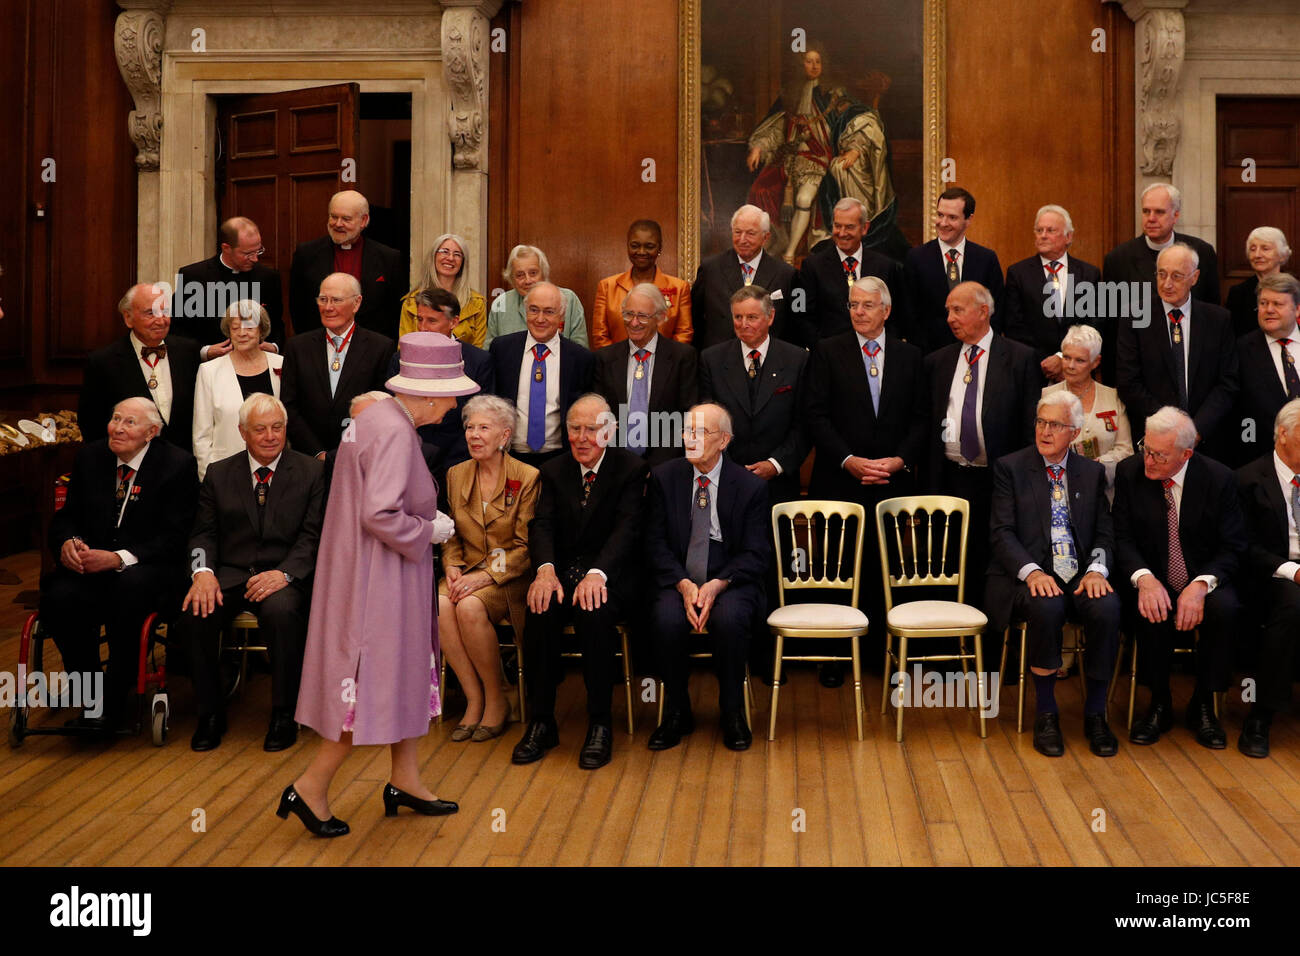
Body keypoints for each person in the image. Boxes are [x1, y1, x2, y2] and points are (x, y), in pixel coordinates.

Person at [283, 332, 474, 837]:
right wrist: (427, 530)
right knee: (366, 685)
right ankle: (310, 787)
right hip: (380, 581)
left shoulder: (373, 419)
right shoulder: (393, 431)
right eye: (452, 392)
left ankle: (405, 780)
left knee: (406, 673)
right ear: (430, 393)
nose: (455, 403)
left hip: (370, 571)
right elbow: (380, 513)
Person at [40, 398, 198, 729]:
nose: (118, 428)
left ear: (152, 432)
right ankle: (91, 692)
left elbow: (174, 537)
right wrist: (68, 543)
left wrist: (116, 559)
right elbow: (66, 519)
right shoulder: (91, 456)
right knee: (58, 596)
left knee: (128, 590)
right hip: (90, 566)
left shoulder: (177, 465)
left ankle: (111, 702)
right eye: (115, 419)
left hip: (148, 569)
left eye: (130, 422)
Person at [511, 394, 649, 770]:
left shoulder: (631, 469)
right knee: (539, 608)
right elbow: (543, 525)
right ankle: (542, 722)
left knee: (593, 612)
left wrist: (597, 573)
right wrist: (544, 569)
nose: (582, 438)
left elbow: (628, 530)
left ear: (610, 431)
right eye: (575, 429)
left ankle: (600, 724)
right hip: (562, 570)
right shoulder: (554, 471)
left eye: (591, 429)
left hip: (613, 573)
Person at [181, 393, 324, 752]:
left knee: (282, 612)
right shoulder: (219, 473)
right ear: (243, 432)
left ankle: (284, 713)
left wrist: (286, 574)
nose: (270, 436)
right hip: (229, 573)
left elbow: (314, 535)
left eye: (277, 427)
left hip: (283, 575)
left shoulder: (311, 471)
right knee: (197, 611)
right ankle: (210, 714)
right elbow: (203, 533)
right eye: (260, 429)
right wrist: (203, 572)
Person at [987, 391, 1121, 757]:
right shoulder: (1010, 468)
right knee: (1046, 607)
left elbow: (1105, 532)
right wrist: (1031, 572)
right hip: (1028, 574)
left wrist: (1096, 569)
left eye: (1055, 425)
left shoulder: (1091, 473)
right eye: (1041, 422)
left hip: (1079, 573)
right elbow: (1001, 532)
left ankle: (1096, 714)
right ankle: (1046, 712)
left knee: (1107, 607)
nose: (1045, 431)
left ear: (1074, 433)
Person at [803, 276, 926, 662]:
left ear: (886, 311)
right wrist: (849, 460)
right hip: (840, 479)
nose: (858, 311)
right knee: (836, 569)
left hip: (892, 480)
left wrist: (900, 460)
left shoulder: (911, 356)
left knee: (886, 567)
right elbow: (815, 415)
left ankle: (881, 654)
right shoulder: (827, 350)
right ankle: (836, 654)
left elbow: (922, 418)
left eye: (867, 305)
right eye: (853, 304)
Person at [1113, 406, 1246, 749]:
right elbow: (1121, 538)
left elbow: (1233, 547)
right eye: (1147, 448)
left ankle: (1203, 704)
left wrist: (1201, 585)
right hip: (1151, 574)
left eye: (1160, 454)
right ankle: (1158, 703)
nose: (1149, 460)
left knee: (1225, 608)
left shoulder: (1219, 479)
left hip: (1202, 576)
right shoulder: (1130, 473)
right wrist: (1143, 578)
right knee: (1152, 607)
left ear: (1186, 454)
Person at [645, 403, 772, 752]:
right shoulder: (664, 477)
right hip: (679, 572)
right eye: (686, 431)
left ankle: (732, 711)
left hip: (729, 573)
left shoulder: (750, 487)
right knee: (667, 618)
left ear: (724, 441)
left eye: (700, 432)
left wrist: (718, 584)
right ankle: (676, 710)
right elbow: (653, 543)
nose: (689, 438)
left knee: (729, 619)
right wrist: (684, 584)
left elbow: (756, 552)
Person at [924, 281, 1041, 615]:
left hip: (998, 484)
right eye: (947, 310)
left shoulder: (1020, 359)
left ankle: (988, 655)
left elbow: (1028, 429)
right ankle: (948, 644)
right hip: (949, 482)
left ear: (983, 311)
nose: (949, 318)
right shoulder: (937, 362)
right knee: (948, 566)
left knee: (992, 570)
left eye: (957, 310)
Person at [438, 394, 540, 743]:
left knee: (468, 605)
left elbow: (525, 549)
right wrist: (451, 565)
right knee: (438, 603)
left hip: (507, 577)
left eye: (484, 427)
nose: (474, 435)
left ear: (504, 435)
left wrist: (482, 576)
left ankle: (497, 700)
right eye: (469, 427)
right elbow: (449, 533)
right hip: (466, 571)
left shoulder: (527, 477)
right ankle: (474, 697)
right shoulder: (455, 474)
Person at [744, 45, 906, 263]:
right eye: (808, 61)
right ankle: (769, 246)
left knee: (803, 197)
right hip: (789, 160)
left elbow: (855, 118)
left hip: (817, 160)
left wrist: (855, 149)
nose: (813, 66)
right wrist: (759, 147)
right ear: (800, 65)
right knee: (761, 189)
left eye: (817, 61)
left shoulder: (832, 95)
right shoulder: (790, 96)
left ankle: (790, 254)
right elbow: (776, 127)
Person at [1116, 242, 1239, 458]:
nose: (1167, 284)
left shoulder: (1218, 319)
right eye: (1161, 274)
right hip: (1154, 439)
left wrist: (1196, 429)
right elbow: (1128, 382)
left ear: (1195, 277)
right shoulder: (1135, 317)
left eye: (1177, 276)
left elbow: (1227, 382)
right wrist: (1170, 427)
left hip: (1208, 440)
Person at [698, 286, 809, 505]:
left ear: (770, 317)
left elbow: (804, 424)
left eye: (752, 317)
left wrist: (775, 464)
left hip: (779, 484)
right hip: (726, 479)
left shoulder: (797, 359)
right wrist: (727, 466)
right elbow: (705, 423)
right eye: (738, 317)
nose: (743, 324)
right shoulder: (712, 359)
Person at [1235, 398, 1300, 757]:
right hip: (1268, 574)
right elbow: (1244, 546)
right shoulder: (1247, 479)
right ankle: (1260, 716)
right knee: (1292, 604)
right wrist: (1294, 571)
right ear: (1282, 435)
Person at [387, 288, 495, 491]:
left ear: (454, 322)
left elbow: (482, 416)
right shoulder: (400, 359)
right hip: (409, 457)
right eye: (420, 319)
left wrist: (456, 460)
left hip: (460, 461)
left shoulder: (478, 361)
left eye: (432, 321)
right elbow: (393, 411)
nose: (423, 328)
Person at [281, 273, 396, 459]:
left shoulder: (381, 348)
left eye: (336, 300)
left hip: (359, 455)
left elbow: (381, 408)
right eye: (323, 299)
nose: (328, 307)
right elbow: (289, 406)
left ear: (357, 303)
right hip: (307, 459)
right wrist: (317, 452)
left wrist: (347, 451)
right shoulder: (297, 347)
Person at [81, 283, 202, 454]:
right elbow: (91, 425)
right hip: (129, 465)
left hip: (182, 467)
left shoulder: (189, 352)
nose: (160, 320)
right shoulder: (103, 363)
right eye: (150, 313)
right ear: (128, 318)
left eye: (165, 312)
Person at [489, 282, 595, 469]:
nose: (540, 318)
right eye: (534, 310)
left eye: (549, 312)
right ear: (525, 311)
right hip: (509, 457)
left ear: (561, 314)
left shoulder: (580, 358)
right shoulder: (502, 349)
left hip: (561, 460)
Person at [591, 283, 698, 467]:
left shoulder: (683, 357)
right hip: (615, 465)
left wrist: (656, 467)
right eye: (628, 314)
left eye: (642, 316)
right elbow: (598, 415)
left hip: (666, 465)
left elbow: (686, 417)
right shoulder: (604, 358)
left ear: (660, 317)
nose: (633, 322)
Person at [1002, 205, 1104, 383]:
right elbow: (1013, 327)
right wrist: (1046, 362)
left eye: (1050, 230)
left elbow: (1094, 323)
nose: (1043, 235)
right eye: (1039, 230)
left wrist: (1062, 358)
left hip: (1078, 371)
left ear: (1068, 236)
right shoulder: (1018, 273)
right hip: (1033, 371)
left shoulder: (1089, 274)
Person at [288, 190, 403, 339]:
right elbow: (297, 307)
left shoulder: (389, 258)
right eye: (333, 217)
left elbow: (394, 311)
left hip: (370, 347)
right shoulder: (306, 254)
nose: (338, 224)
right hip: (318, 344)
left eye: (346, 219)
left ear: (363, 220)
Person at [904, 187, 1005, 352]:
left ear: (968, 219)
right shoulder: (916, 258)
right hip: (929, 356)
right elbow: (909, 315)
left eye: (952, 217)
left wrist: (981, 347)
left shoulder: (986, 259)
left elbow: (997, 312)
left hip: (978, 353)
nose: (943, 223)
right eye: (940, 215)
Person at [795, 196, 908, 344]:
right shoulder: (811, 266)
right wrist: (820, 349)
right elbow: (799, 313)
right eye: (837, 226)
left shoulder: (886, 267)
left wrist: (887, 346)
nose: (842, 233)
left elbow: (897, 315)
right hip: (828, 355)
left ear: (864, 228)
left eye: (849, 227)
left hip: (875, 352)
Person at [192, 300, 283, 479]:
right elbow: (201, 435)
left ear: (261, 331)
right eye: (235, 328)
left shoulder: (282, 365)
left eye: (249, 327)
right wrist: (208, 478)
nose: (242, 333)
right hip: (226, 473)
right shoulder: (209, 371)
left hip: (279, 471)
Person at [1042, 324, 1134, 494]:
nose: (1070, 365)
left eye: (1079, 360)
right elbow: (1041, 448)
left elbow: (1125, 449)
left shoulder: (1113, 397)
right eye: (1066, 357)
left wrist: (1097, 467)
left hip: (1105, 494)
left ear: (1095, 362)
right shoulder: (1047, 396)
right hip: (1059, 491)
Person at [691, 205, 797, 351]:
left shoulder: (787, 274)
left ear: (765, 237)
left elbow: (796, 323)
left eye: (750, 233)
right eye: (737, 232)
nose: (742, 239)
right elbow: (694, 319)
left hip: (770, 360)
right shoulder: (710, 269)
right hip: (719, 360)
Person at [173, 216, 285, 351]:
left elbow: (277, 324)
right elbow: (178, 328)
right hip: (207, 365)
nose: (255, 259)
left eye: (258, 250)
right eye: (248, 254)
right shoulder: (193, 276)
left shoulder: (268, 277)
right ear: (226, 248)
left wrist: (274, 347)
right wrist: (205, 351)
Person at [1104, 183, 1220, 309]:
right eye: (1146, 211)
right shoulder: (1118, 259)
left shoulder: (1202, 252)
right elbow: (1111, 315)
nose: (1151, 218)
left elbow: (1212, 310)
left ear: (1175, 216)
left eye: (1159, 212)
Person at [591, 219, 693, 348]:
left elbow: (684, 333)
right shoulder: (607, 287)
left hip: (665, 365)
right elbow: (600, 336)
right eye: (635, 245)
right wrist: (617, 363)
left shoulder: (679, 288)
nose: (641, 252)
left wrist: (665, 362)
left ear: (660, 248)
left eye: (649, 246)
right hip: (616, 365)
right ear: (627, 246)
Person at [1235, 272, 1300, 466]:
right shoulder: (1241, 350)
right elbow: (1239, 414)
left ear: (1297, 310)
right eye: (1263, 304)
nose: (1268, 310)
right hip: (1263, 461)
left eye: (1277, 304)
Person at [485, 245, 587, 347]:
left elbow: (581, 349)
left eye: (533, 273)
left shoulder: (569, 299)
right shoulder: (501, 303)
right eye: (520, 275)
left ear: (544, 272)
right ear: (512, 278)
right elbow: (490, 350)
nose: (528, 280)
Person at [398, 234, 487, 347]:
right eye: (444, 252)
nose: (450, 258)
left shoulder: (476, 303)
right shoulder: (411, 302)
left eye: (457, 254)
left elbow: (478, 353)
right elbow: (404, 348)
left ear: (463, 262)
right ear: (433, 257)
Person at [1226, 227, 1292, 339]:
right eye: (1252, 249)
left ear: (1282, 255)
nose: (1257, 255)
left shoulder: (1295, 289)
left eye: (1265, 249)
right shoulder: (1238, 293)